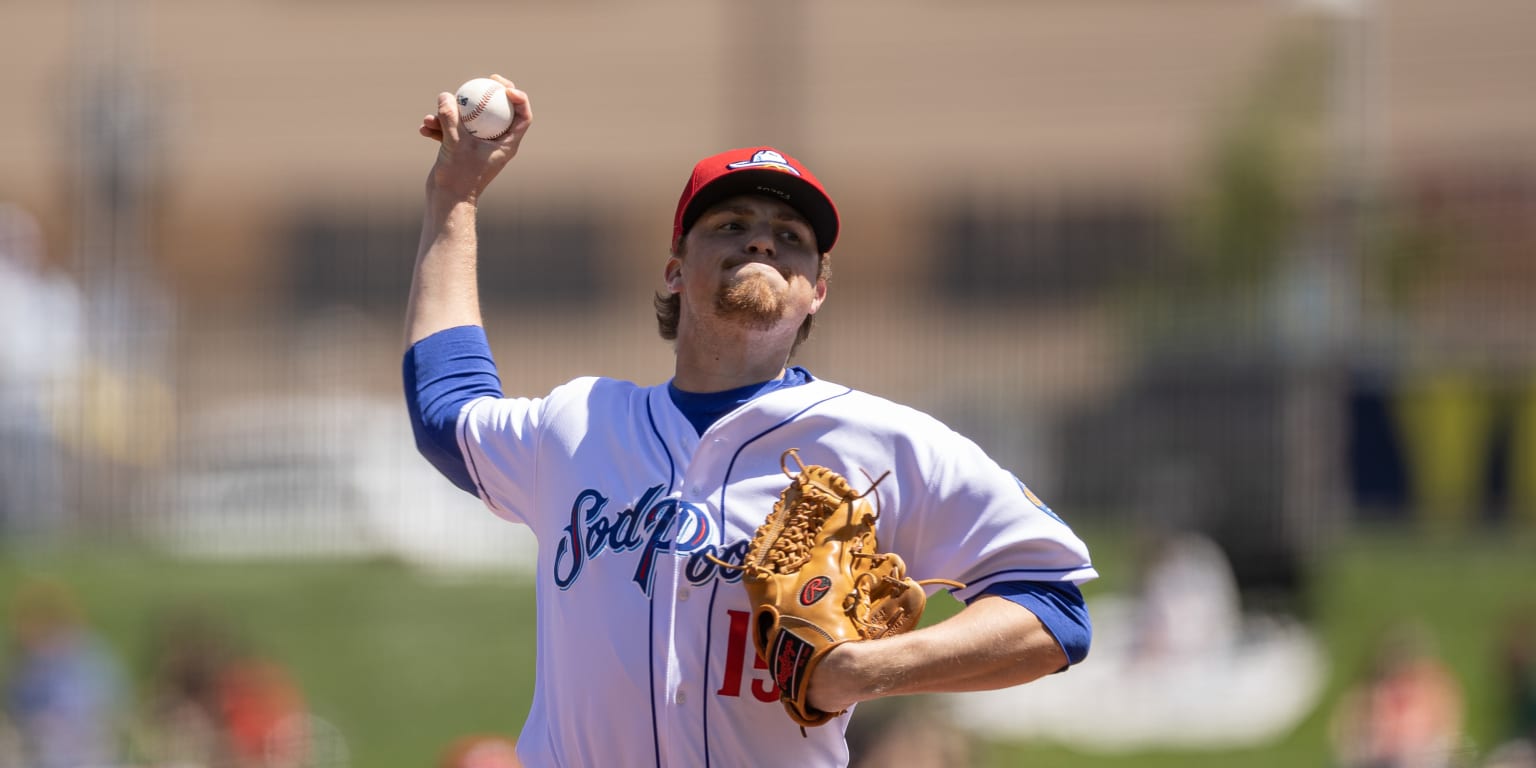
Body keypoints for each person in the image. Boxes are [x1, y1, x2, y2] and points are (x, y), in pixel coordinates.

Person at [404, 74, 1097, 766]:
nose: (762, 243)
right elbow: (446, 410)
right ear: (676, 269)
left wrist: (867, 670)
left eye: (790, 236)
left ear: (817, 291)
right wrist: (454, 197)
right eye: (732, 226)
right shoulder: (580, 424)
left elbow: (1054, 611)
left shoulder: (885, 444)